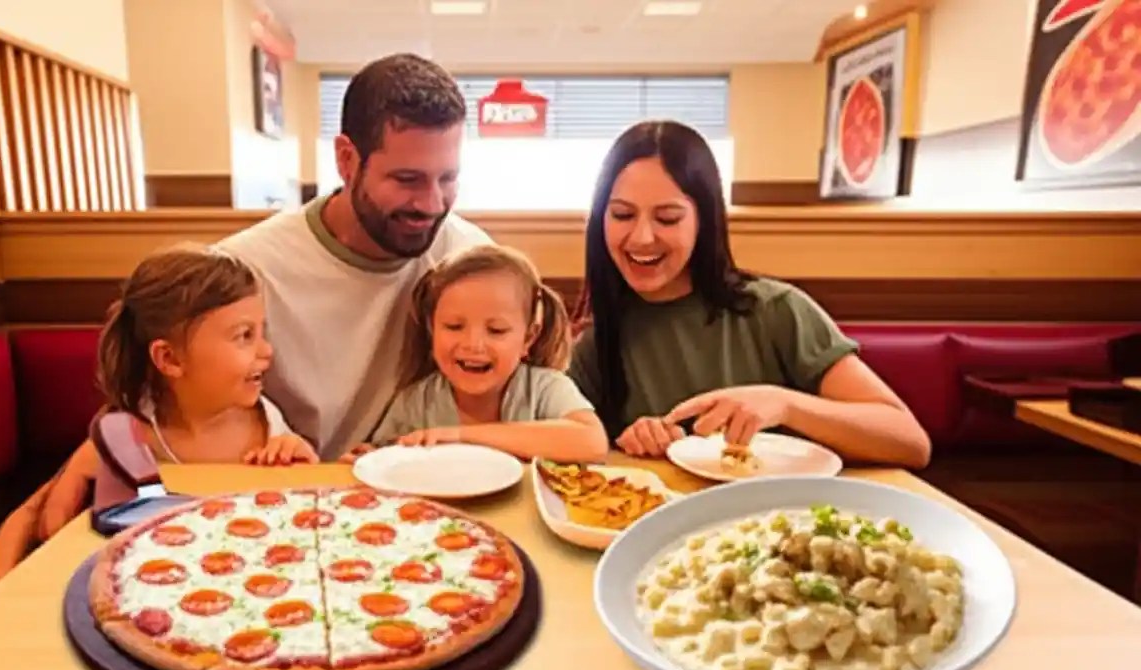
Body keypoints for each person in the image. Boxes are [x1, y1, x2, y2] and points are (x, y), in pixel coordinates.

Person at [0, 245, 317, 614]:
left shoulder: (266, 421)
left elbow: (304, 510)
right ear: (170, 359)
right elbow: (32, 514)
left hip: (245, 590)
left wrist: (300, 456)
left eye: (261, 332)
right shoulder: (129, 435)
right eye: (243, 336)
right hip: (154, 598)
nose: (266, 350)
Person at [568, 120, 931, 469]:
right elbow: (566, 454)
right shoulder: (596, 341)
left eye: (667, 218)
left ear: (704, 220)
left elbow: (909, 441)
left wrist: (786, 404)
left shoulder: (775, 310)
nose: (642, 237)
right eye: (622, 214)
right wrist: (631, 442)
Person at [217, 52, 492, 461]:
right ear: (347, 160)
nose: (432, 204)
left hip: (427, 489)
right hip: (294, 493)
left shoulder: (470, 259)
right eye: (407, 179)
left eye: (448, 178)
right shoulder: (246, 269)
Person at [348, 245, 609, 463]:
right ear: (431, 328)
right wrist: (366, 458)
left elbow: (592, 442)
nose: (473, 344)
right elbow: (384, 461)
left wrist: (462, 436)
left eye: (496, 330)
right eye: (454, 327)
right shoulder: (415, 403)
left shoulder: (545, 389)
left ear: (529, 337)